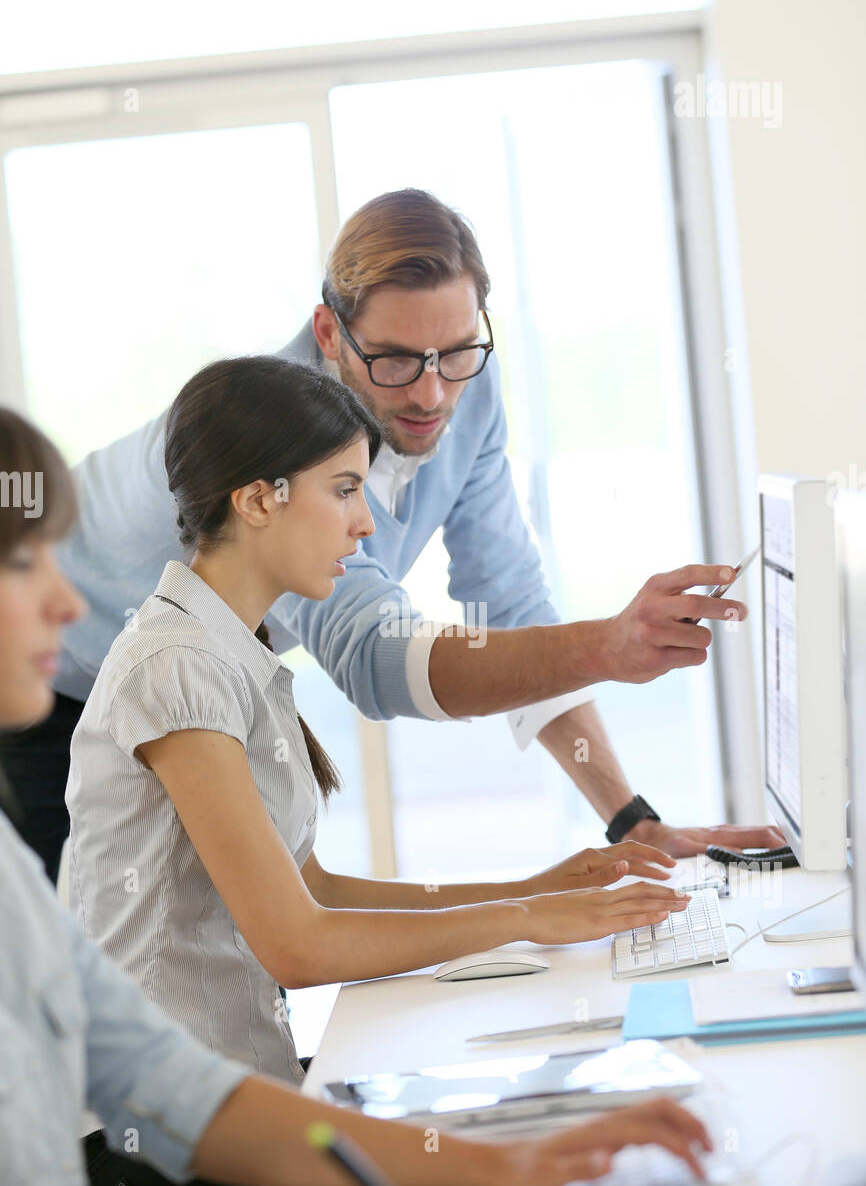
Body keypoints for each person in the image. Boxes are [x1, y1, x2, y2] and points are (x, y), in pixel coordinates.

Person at [0, 403, 713, 1186]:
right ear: (258, 501)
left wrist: (535, 891)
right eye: (344, 489)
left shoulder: (229, 652)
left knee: (478, 1151)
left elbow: (309, 890)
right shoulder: (173, 664)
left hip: (196, 1104)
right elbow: (299, 943)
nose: (368, 521)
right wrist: (526, 914)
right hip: (135, 1163)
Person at [0, 188, 782, 885]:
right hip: (53, 689)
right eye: (399, 360)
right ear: (329, 334)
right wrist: (609, 646)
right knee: (100, 990)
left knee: (228, 950)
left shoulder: (462, 388)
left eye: (457, 352)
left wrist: (629, 821)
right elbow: (376, 660)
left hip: (194, 683)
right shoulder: (275, 436)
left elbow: (508, 598)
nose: (434, 392)